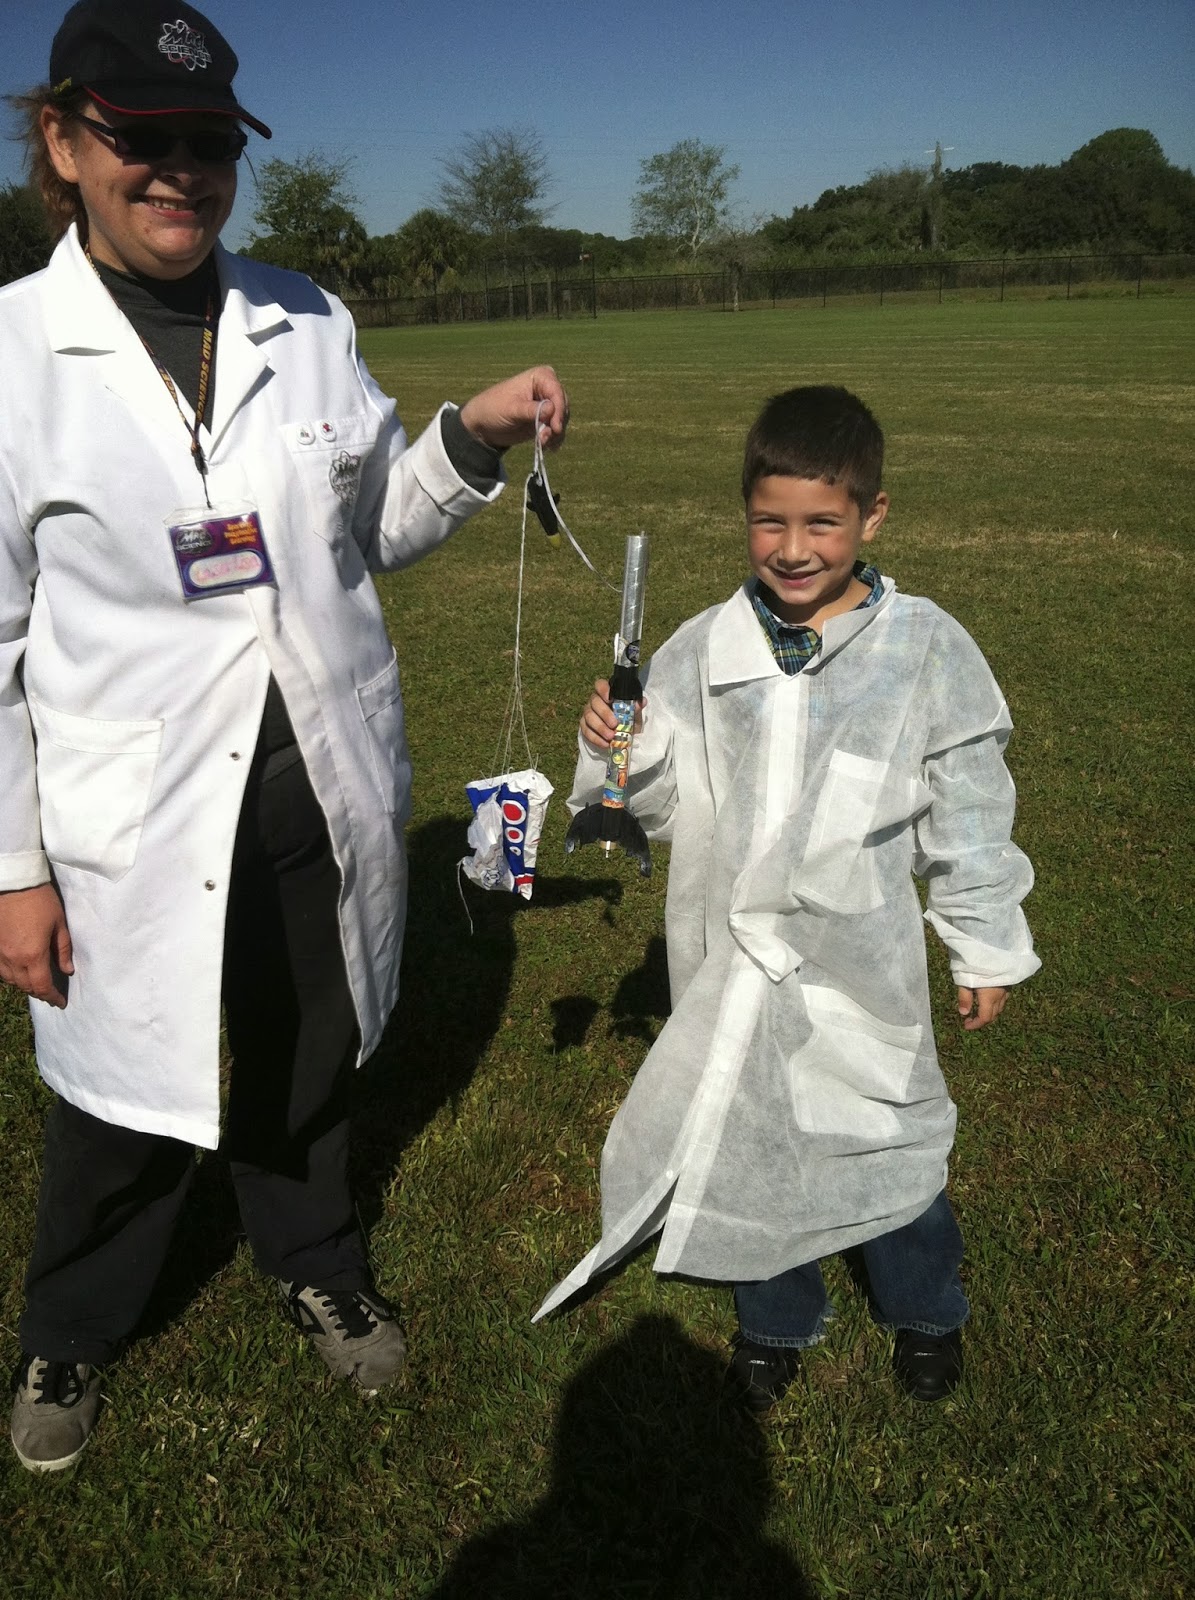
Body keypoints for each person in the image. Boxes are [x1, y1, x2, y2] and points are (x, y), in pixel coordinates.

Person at [1, 0, 568, 1473]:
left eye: (207, 145)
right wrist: (12, 867)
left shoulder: (309, 320)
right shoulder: (8, 357)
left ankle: (310, 1248)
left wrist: (469, 440)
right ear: (63, 141)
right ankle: (71, 1326)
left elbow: (366, 521)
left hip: (312, 778)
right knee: (118, 1090)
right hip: (128, 815)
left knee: (310, 1045)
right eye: (142, 139)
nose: (181, 171)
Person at [535, 386, 1039, 1411]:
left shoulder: (924, 649)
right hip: (734, 958)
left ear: (872, 516)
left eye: (822, 522)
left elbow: (970, 807)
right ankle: (776, 1317)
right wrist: (617, 748)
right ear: (743, 516)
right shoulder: (703, 647)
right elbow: (662, 804)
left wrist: (981, 945)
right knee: (751, 1133)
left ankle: (925, 1308)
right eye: (771, 520)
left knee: (883, 1131)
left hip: (861, 961)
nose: (795, 546)